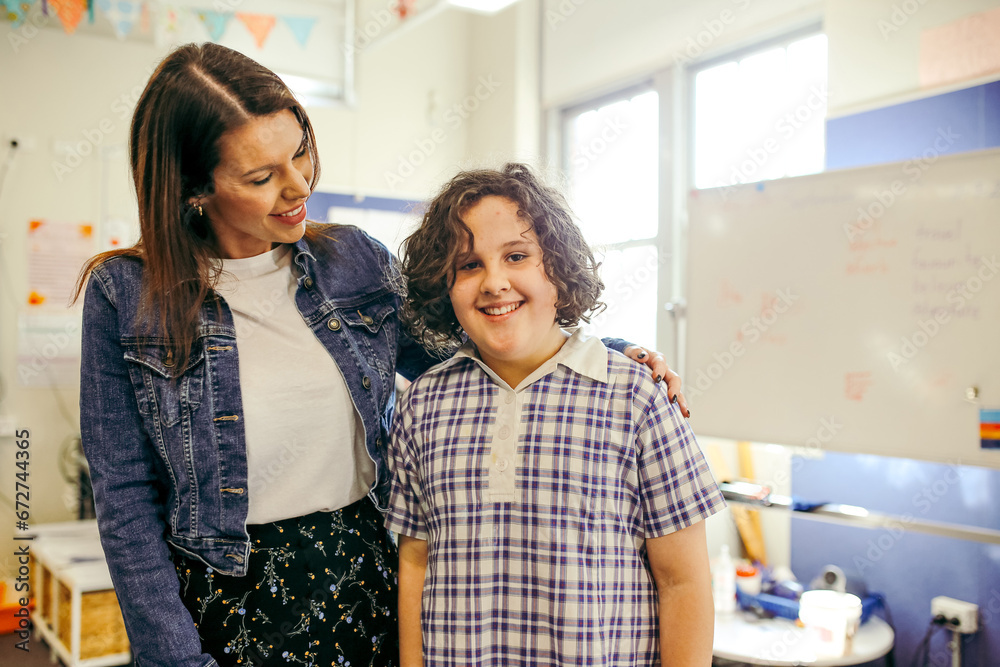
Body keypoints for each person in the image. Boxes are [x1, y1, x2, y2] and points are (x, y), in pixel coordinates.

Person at [75, 44, 684, 667]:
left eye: (301, 152)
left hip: (367, 580)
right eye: (261, 177)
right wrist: (173, 658)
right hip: (227, 601)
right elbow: (124, 499)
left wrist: (608, 353)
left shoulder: (353, 262)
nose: (299, 186)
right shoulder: (126, 295)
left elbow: (470, 351)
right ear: (193, 188)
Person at [387, 163, 726, 667]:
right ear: (444, 287)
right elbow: (416, 561)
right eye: (468, 265)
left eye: (517, 256)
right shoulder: (422, 404)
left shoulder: (635, 397)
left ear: (559, 271)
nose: (494, 281)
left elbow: (683, 581)